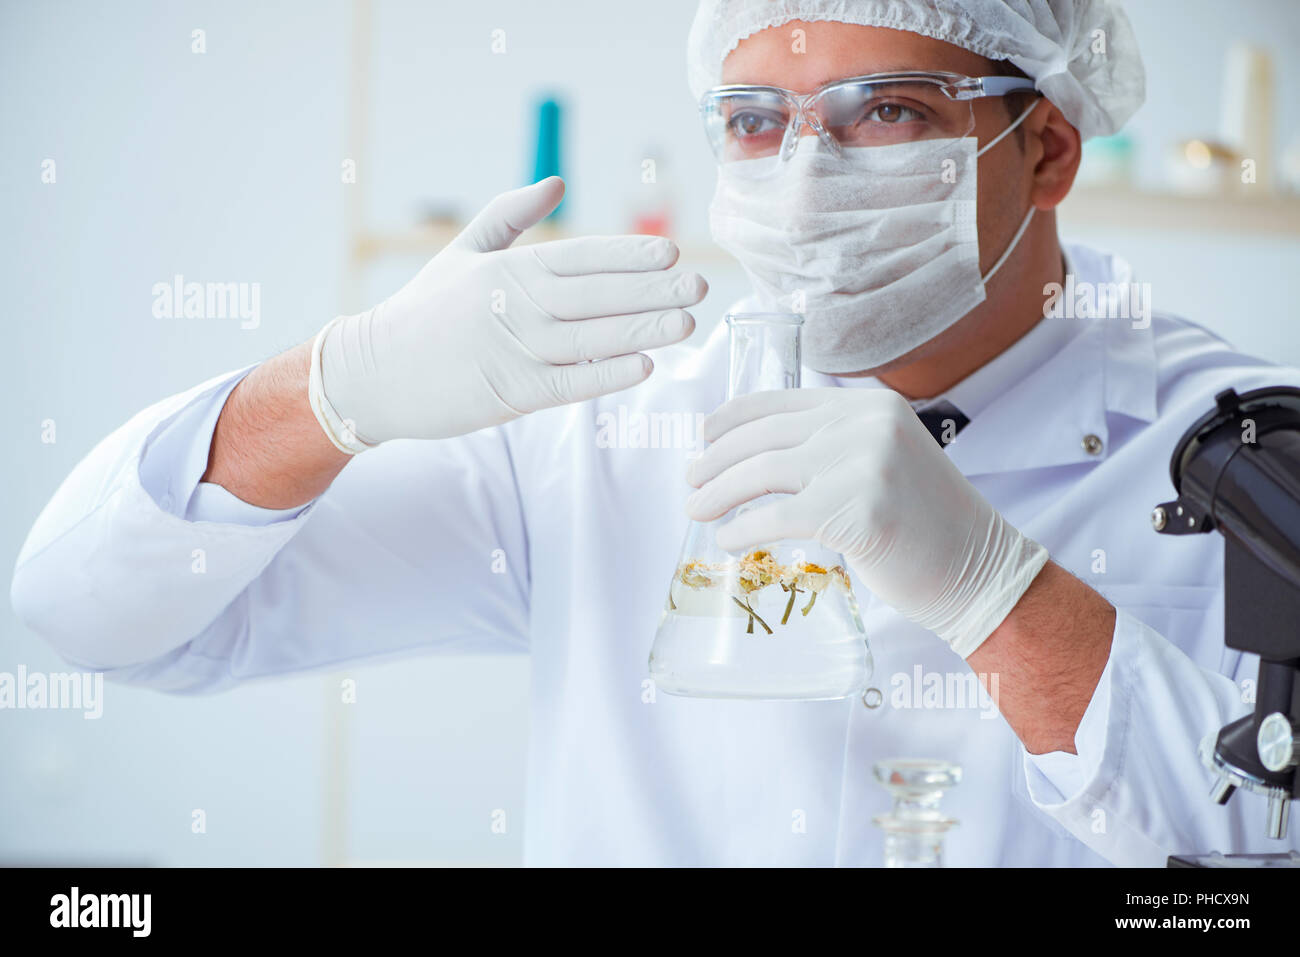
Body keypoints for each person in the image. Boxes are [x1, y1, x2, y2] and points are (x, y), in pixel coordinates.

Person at [12, 0, 1299, 866]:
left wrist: (997, 591)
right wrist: (330, 392)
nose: (805, 177)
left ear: (1050, 148)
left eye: (886, 111)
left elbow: (1257, 851)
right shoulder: (607, 414)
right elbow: (98, 617)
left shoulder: (1234, 439)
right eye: (754, 122)